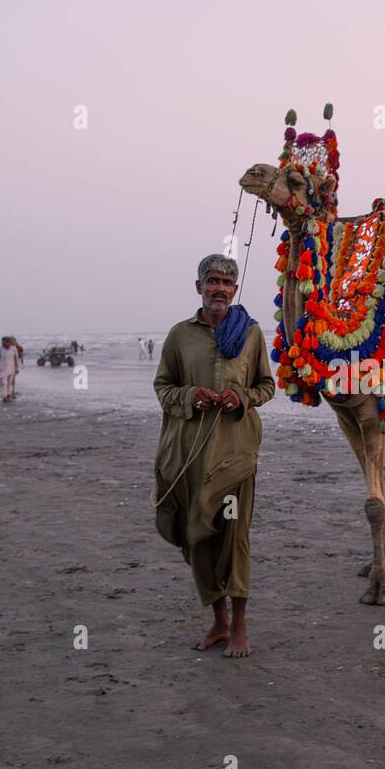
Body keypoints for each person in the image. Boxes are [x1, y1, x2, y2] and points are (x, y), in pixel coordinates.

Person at [153, 253, 275, 659]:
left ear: (235, 290)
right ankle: (219, 622)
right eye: (212, 281)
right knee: (197, 538)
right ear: (198, 287)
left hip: (235, 453)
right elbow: (163, 387)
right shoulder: (179, 335)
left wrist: (239, 396)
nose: (219, 288)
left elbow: (265, 387)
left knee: (234, 538)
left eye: (227, 282)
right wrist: (191, 395)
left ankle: (240, 628)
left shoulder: (251, 333)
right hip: (189, 453)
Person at [0, 336, 19, 403]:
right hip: (2, 369)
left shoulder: (14, 349)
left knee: (9, 383)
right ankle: (4, 396)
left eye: (6, 342)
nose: (4, 343)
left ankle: (8, 395)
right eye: (3, 342)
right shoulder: (0, 349)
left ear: (9, 342)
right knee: (3, 383)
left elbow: (16, 359)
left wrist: (17, 368)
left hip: (11, 369)